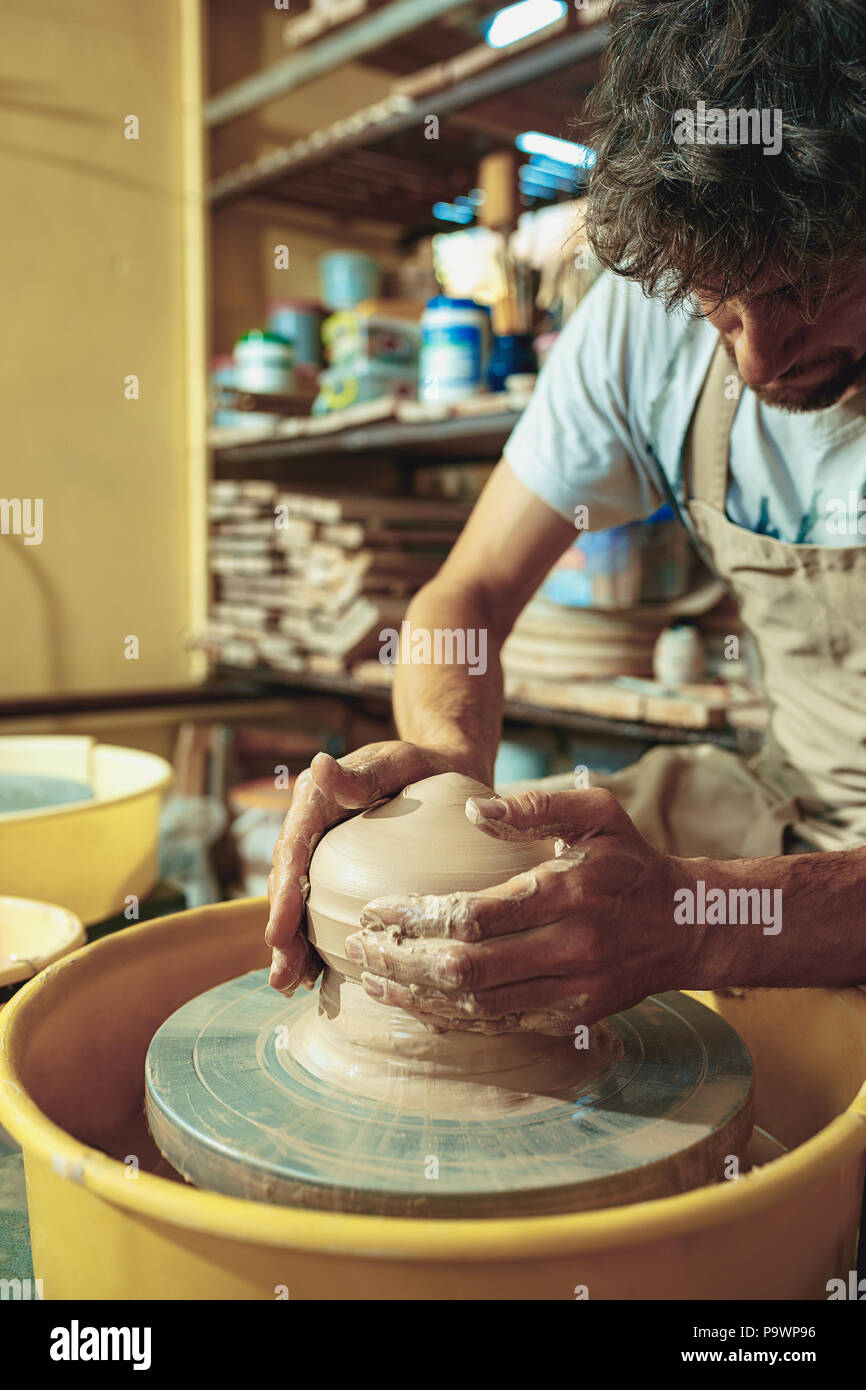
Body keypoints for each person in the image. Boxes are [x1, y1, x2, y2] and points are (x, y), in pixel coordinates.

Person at [266, 0, 866, 1033]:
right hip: (789, 805)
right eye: (718, 309)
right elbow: (469, 591)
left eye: (805, 289)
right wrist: (448, 782)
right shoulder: (645, 311)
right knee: (508, 906)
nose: (757, 360)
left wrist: (696, 919)